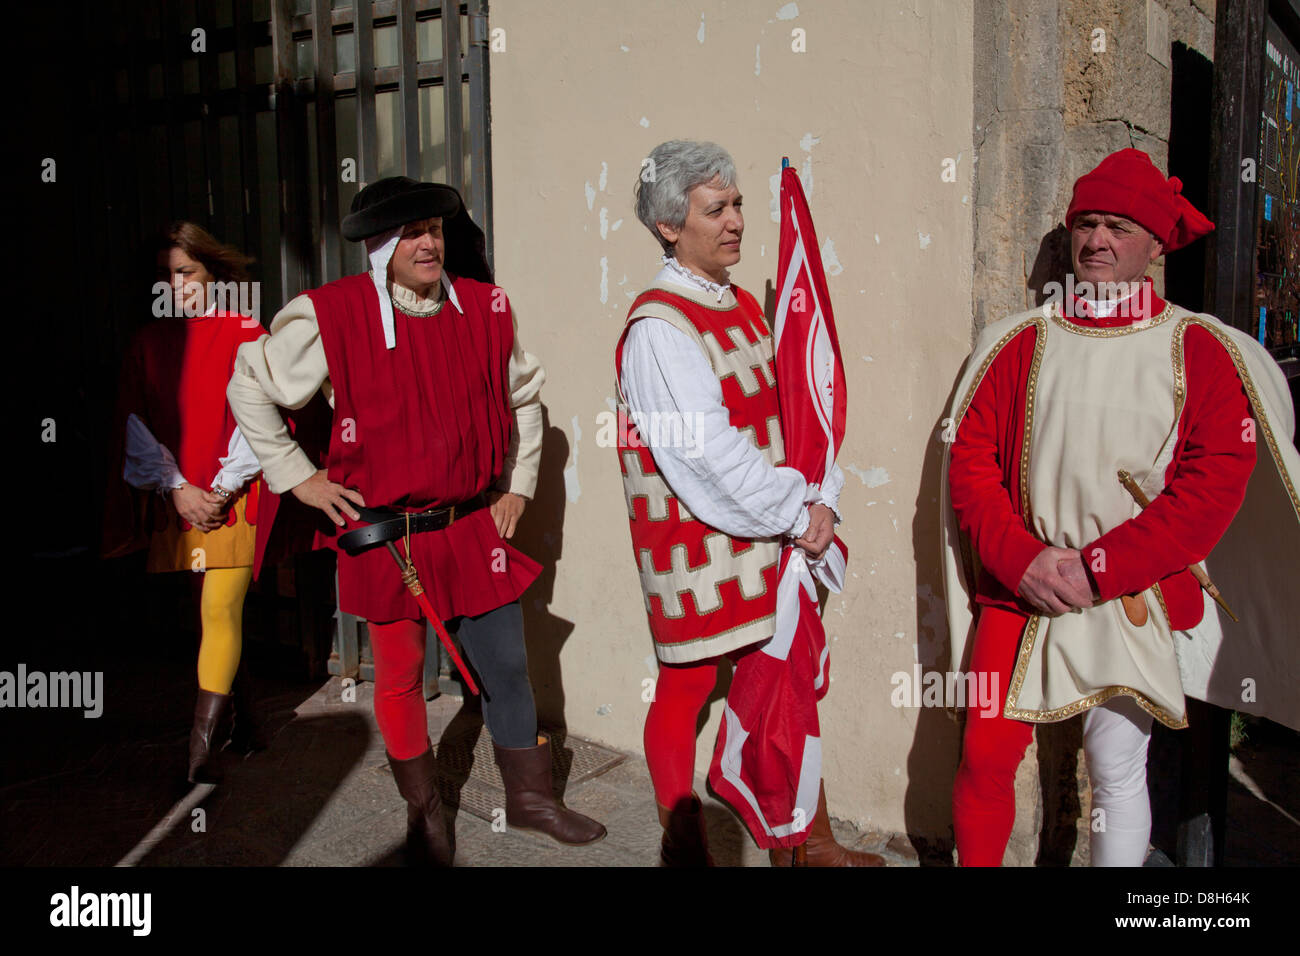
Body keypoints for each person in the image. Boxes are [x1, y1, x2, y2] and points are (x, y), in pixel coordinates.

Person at [226, 176, 606, 866]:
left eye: (433, 228)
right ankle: (425, 811)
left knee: (508, 669)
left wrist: (517, 485)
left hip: (468, 525)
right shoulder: (330, 314)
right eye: (410, 233)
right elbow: (247, 382)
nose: (427, 243)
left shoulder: (487, 307)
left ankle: (531, 800)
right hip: (385, 532)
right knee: (399, 675)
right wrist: (298, 477)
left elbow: (526, 399)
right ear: (377, 246)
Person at [941, 148, 1300, 866]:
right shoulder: (1017, 342)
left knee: (1115, 774)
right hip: (1021, 589)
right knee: (983, 757)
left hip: (1128, 594)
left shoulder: (1197, 348)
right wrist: (1024, 559)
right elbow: (971, 462)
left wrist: (1100, 569)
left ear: (1157, 244)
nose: (1097, 241)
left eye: (1119, 226)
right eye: (1087, 224)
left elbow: (1213, 481)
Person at [615, 140, 883, 866]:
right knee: (689, 682)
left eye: (736, 204)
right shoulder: (659, 328)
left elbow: (783, 414)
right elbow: (704, 454)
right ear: (670, 227)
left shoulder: (735, 303)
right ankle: (688, 849)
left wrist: (812, 499)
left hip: (762, 524)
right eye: (716, 209)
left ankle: (808, 842)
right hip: (697, 536)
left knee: (783, 677)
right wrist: (797, 515)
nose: (736, 221)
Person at [105, 221, 267, 783]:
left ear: (213, 272)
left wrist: (221, 490)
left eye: (185, 272)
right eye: (166, 275)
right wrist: (178, 488)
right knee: (211, 617)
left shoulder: (246, 329)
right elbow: (134, 423)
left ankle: (198, 755)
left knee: (219, 611)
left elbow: (262, 417)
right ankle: (247, 722)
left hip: (237, 499)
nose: (176, 285)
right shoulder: (148, 342)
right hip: (182, 502)